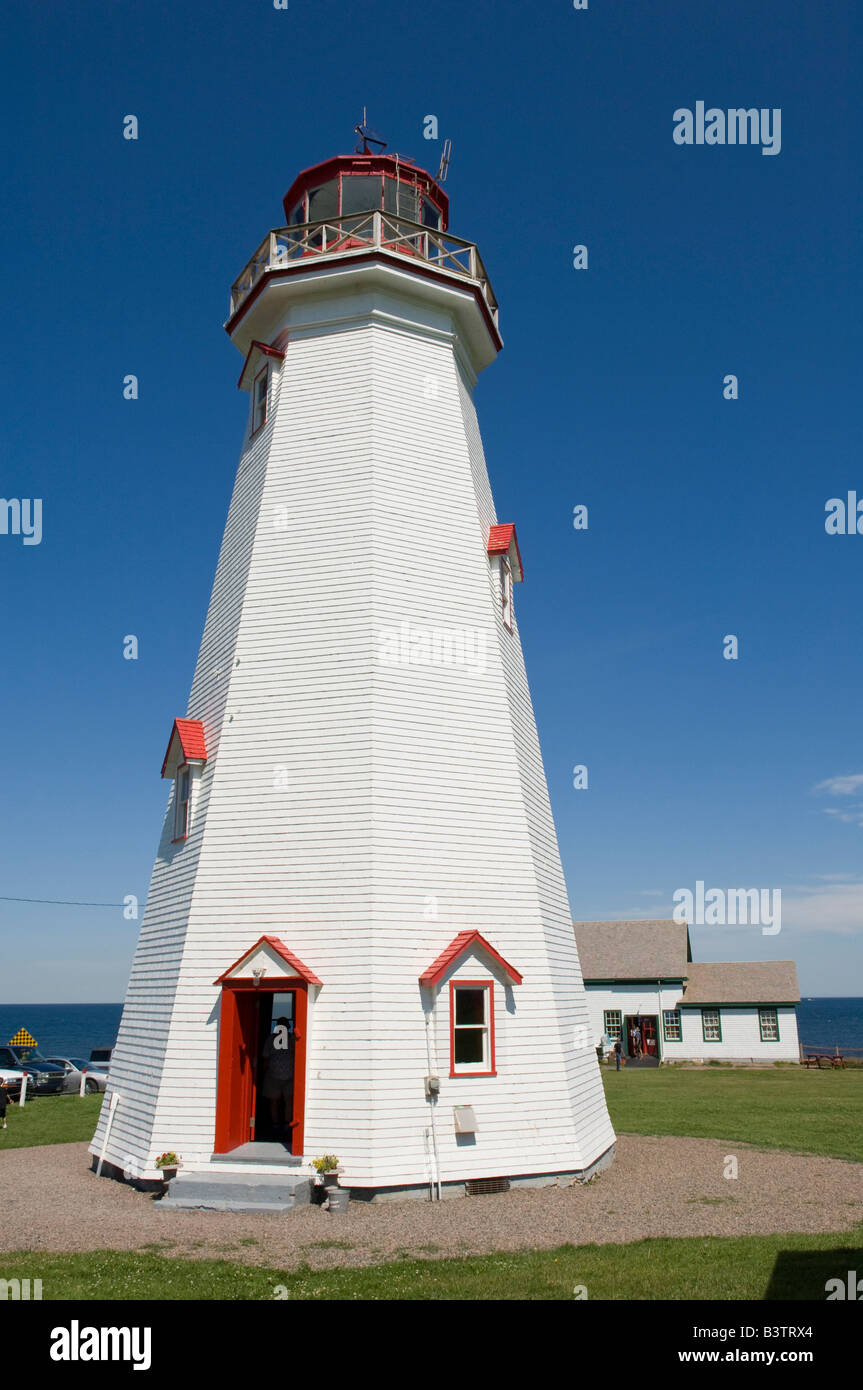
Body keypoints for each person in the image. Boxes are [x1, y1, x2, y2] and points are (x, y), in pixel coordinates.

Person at [261, 1016, 297, 1141]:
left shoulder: (271, 1039)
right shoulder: (292, 1039)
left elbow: (265, 1058)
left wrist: (264, 1072)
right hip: (290, 1073)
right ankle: (287, 1125)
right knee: (288, 1100)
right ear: (288, 1027)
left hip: (273, 1073)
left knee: (274, 1101)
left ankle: (276, 1125)